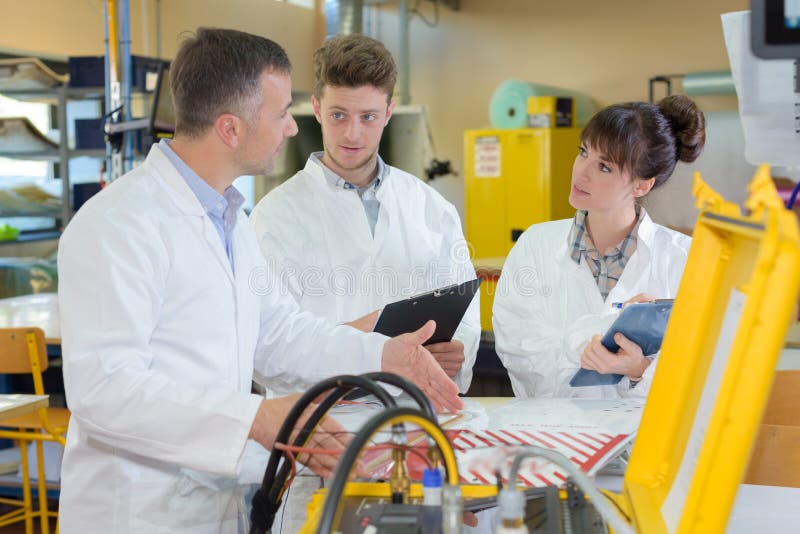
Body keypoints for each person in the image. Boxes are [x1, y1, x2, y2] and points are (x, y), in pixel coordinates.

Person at [57, 28, 462, 534]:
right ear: (230, 129)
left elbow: (279, 333)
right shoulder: (118, 224)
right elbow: (105, 389)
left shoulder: (227, 219)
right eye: (279, 114)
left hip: (215, 501)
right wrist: (253, 418)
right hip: (138, 511)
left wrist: (383, 353)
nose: (292, 129)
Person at [249, 34, 480, 394]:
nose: (352, 133)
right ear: (316, 108)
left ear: (388, 113)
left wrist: (457, 352)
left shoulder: (429, 207)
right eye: (338, 115)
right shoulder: (274, 217)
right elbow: (264, 348)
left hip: (414, 409)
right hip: (320, 416)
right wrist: (362, 349)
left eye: (368, 116)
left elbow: (463, 309)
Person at [493, 94, 706, 399]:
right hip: (551, 438)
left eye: (604, 167)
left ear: (642, 185)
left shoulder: (685, 260)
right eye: (583, 152)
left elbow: (700, 372)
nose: (581, 172)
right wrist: (594, 335)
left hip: (643, 442)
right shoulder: (535, 246)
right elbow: (519, 352)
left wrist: (639, 370)